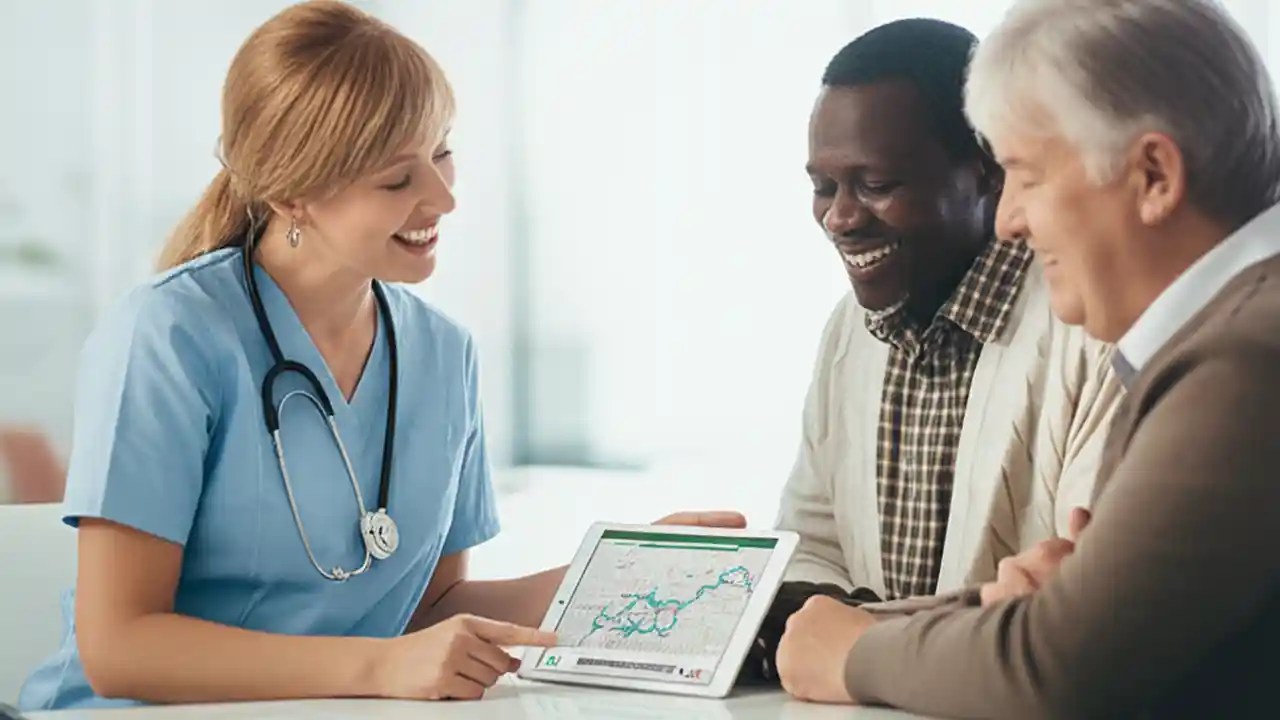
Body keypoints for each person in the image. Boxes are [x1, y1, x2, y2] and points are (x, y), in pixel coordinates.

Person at [18, 1, 742, 710]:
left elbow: (427, 611)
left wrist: (620, 572)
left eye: (442, 153)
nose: (442, 199)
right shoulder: (170, 335)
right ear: (293, 193)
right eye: (397, 179)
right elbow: (120, 649)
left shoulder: (442, 352)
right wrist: (380, 666)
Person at [776, 1, 1280, 717]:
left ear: (1154, 176)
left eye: (1026, 174)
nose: (1007, 218)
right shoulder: (1222, 333)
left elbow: (1056, 663)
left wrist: (853, 650)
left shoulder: (1244, 355)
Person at [747, 19, 1124, 678]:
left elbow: (1077, 593)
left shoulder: (1091, 328)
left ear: (986, 169)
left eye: (875, 184)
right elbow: (811, 540)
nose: (840, 217)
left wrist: (860, 643)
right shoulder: (849, 329)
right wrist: (805, 612)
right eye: (824, 187)